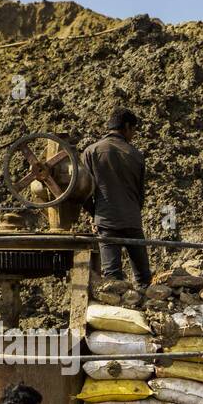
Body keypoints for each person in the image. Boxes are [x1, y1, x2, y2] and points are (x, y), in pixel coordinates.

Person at [82, 109, 150, 288]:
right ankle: (147, 310)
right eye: (134, 130)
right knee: (143, 278)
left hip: (107, 223)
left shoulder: (91, 151)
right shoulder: (136, 155)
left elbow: (82, 191)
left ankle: (117, 310)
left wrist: (96, 212)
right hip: (133, 221)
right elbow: (140, 194)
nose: (133, 135)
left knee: (113, 277)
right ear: (126, 127)